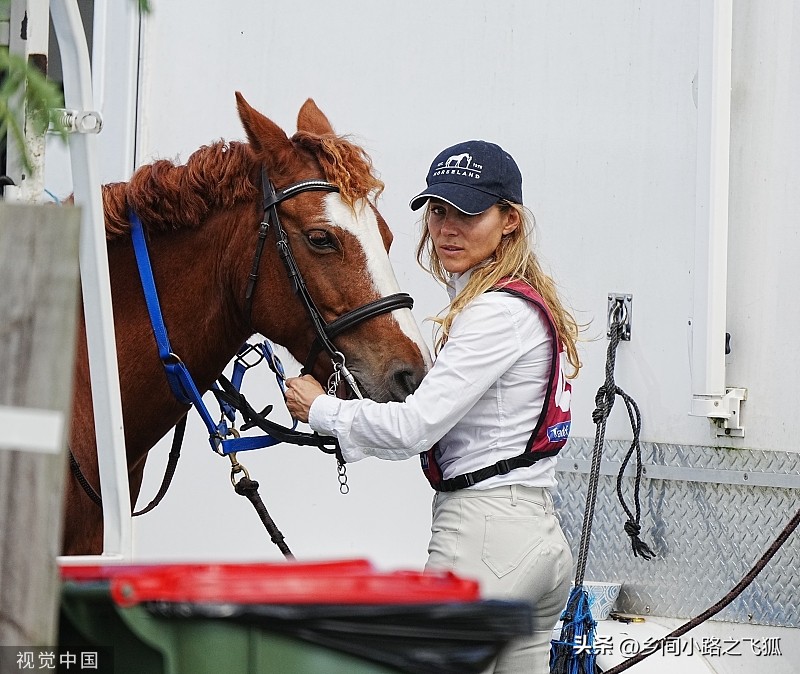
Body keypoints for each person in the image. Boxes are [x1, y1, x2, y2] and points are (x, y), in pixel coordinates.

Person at [286, 139, 581, 674]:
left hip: (484, 536)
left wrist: (322, 409)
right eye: (439, 211)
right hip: (536, 537)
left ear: (509, 220)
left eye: (468, 214)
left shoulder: (493, 313)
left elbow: (416, 427)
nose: (447, 229)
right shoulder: (520, 303)